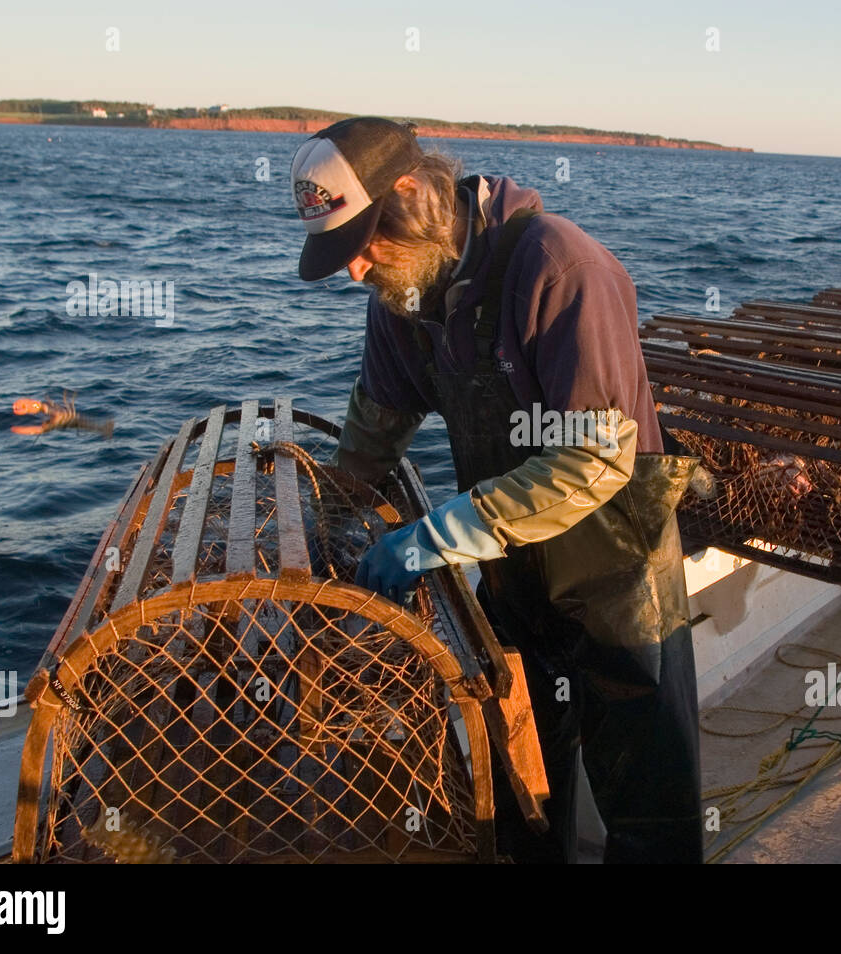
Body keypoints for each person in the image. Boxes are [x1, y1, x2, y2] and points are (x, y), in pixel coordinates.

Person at [291, 116, 703, 863]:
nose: (355, 271)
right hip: (513, 570)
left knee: (649, 808)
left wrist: (431, 539)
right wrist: (329, 532)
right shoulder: (402, 299)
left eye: (362, 247)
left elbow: (593, 463)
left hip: (616, 571)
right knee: (521, 782)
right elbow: (372, 434)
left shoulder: (559, 268)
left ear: (412, 195)